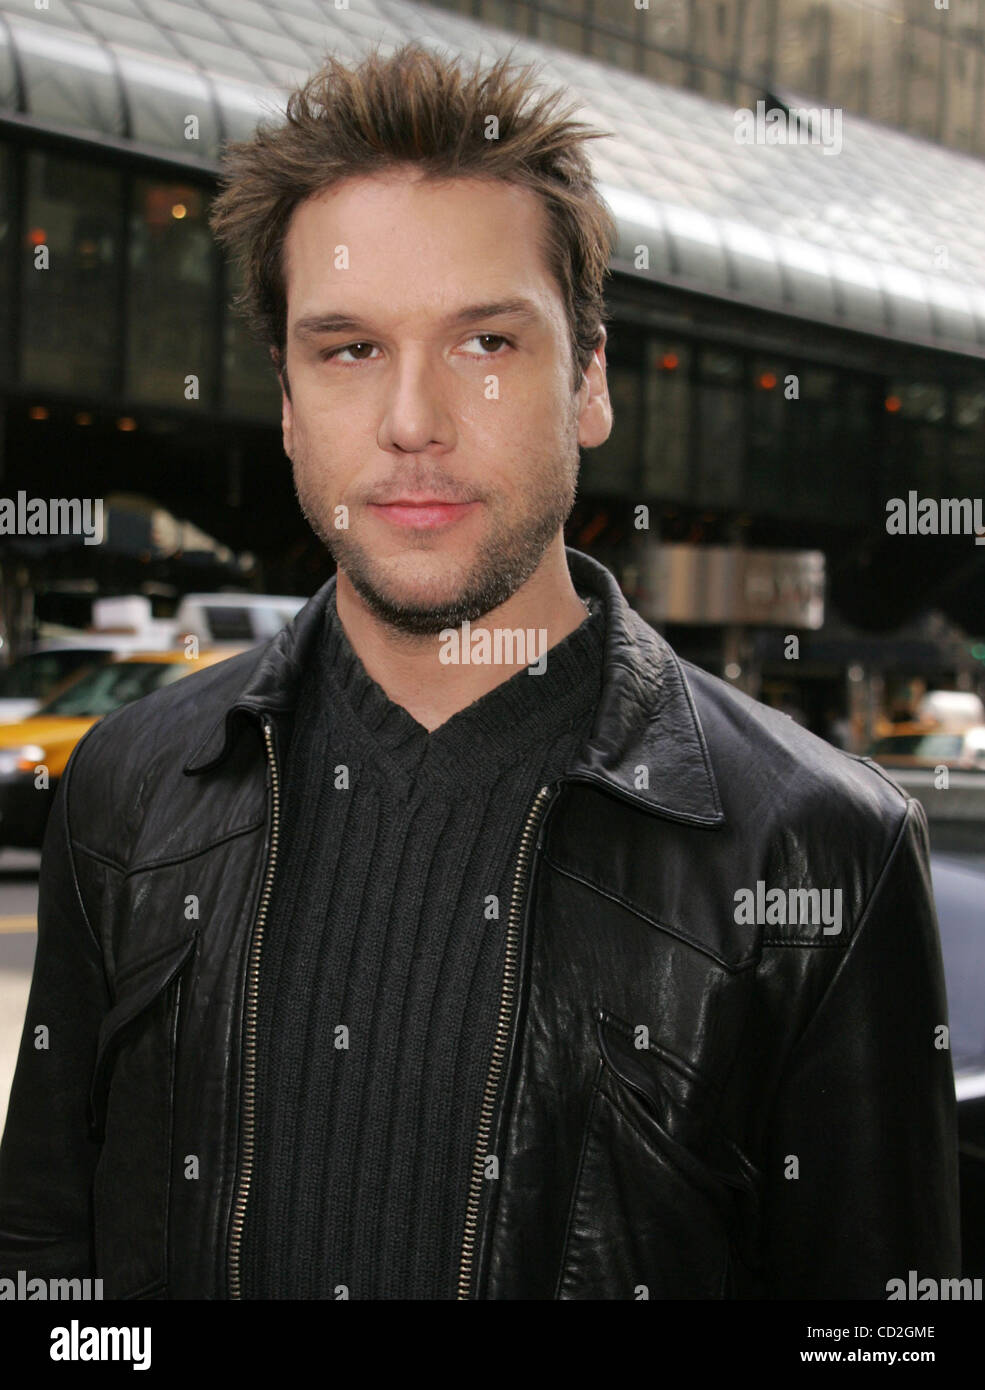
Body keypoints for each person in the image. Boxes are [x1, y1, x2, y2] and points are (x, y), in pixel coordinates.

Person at [0, 43, 960, 1300]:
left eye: (487, 341)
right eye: (347, 349)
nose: (413, 419)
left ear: (589, 380)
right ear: (286, 402)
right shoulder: (132, 788)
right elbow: (45, 1266)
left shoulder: (819, 847)